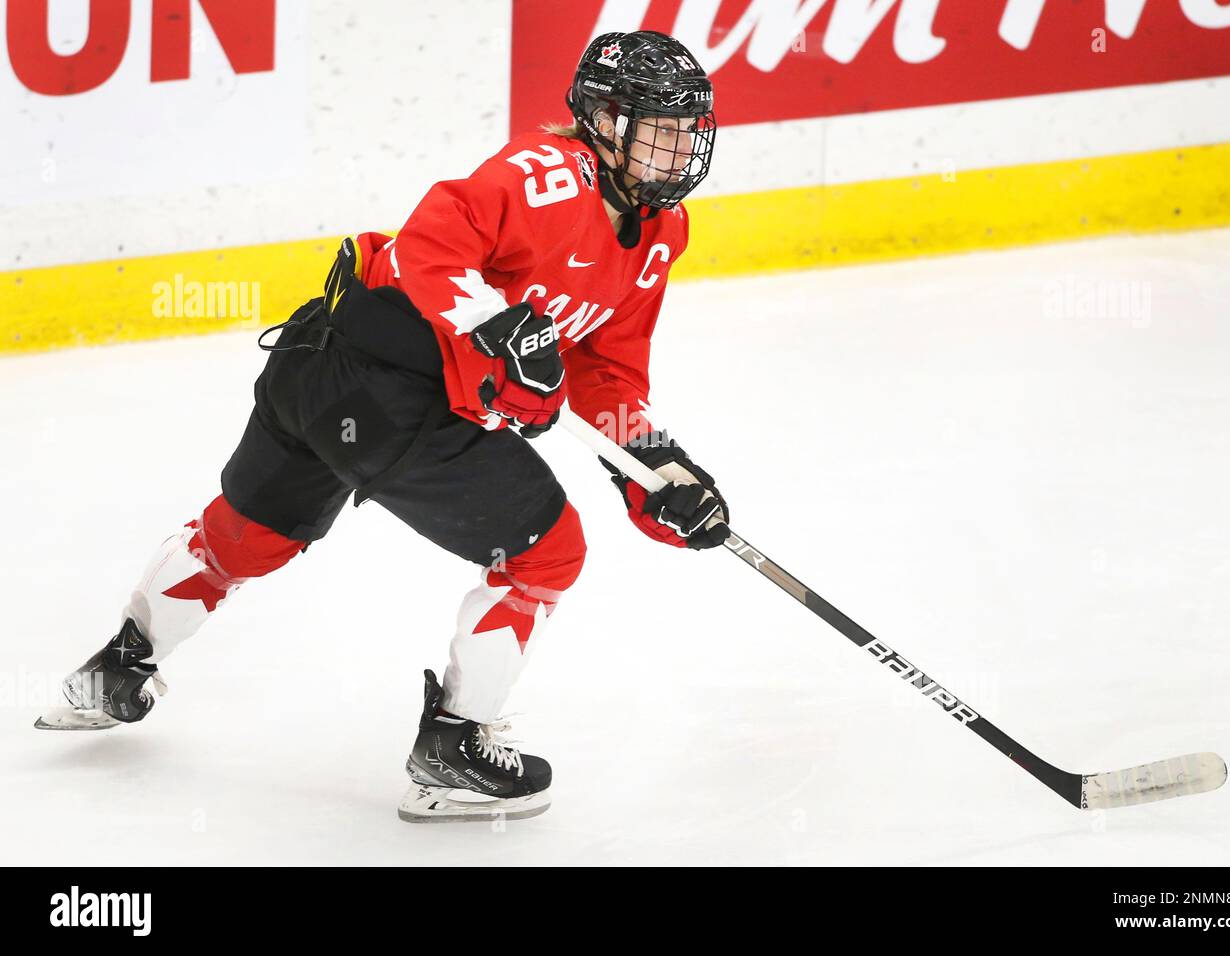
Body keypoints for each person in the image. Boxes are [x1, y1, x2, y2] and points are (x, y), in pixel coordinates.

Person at [37, 30, 729, 823]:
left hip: (324, 368)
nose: (682, 149)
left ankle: (114, 672)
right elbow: (432, 240)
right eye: (662, 129)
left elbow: (607, 372)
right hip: (389, 394)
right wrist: (497, 326)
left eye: (690, 131)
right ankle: (454, 752)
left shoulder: (660, 236)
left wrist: (656, 468)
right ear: (605, 122)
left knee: (247, 537)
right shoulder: (544, 175)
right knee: (549, 552)